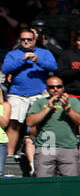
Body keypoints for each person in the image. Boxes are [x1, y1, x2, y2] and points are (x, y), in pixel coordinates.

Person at [3, 27, 57, 175]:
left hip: (39, 94)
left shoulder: (44, 52)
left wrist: (37, 60)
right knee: (14, 124)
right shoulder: (13, 54)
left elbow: (54, 66)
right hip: (18, 94)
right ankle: (9, 157)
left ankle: (43, 157)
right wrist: (22, 60)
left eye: (29, 39)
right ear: (19, 40)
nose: (26, 42)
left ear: (35, 40)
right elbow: (5, 68)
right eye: (23, 39)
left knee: (40, 125)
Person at [25, 76, 80, 176]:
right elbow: (29, 122)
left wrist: (67, 108)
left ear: (63, 87)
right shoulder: (40, 102)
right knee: (44, 184)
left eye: (59, 86)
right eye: (52, 87)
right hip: (45, 147)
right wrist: (48, 108)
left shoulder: (73, 101)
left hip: (68, 146)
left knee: (70, 185)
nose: (55, 89)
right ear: (47, 89)